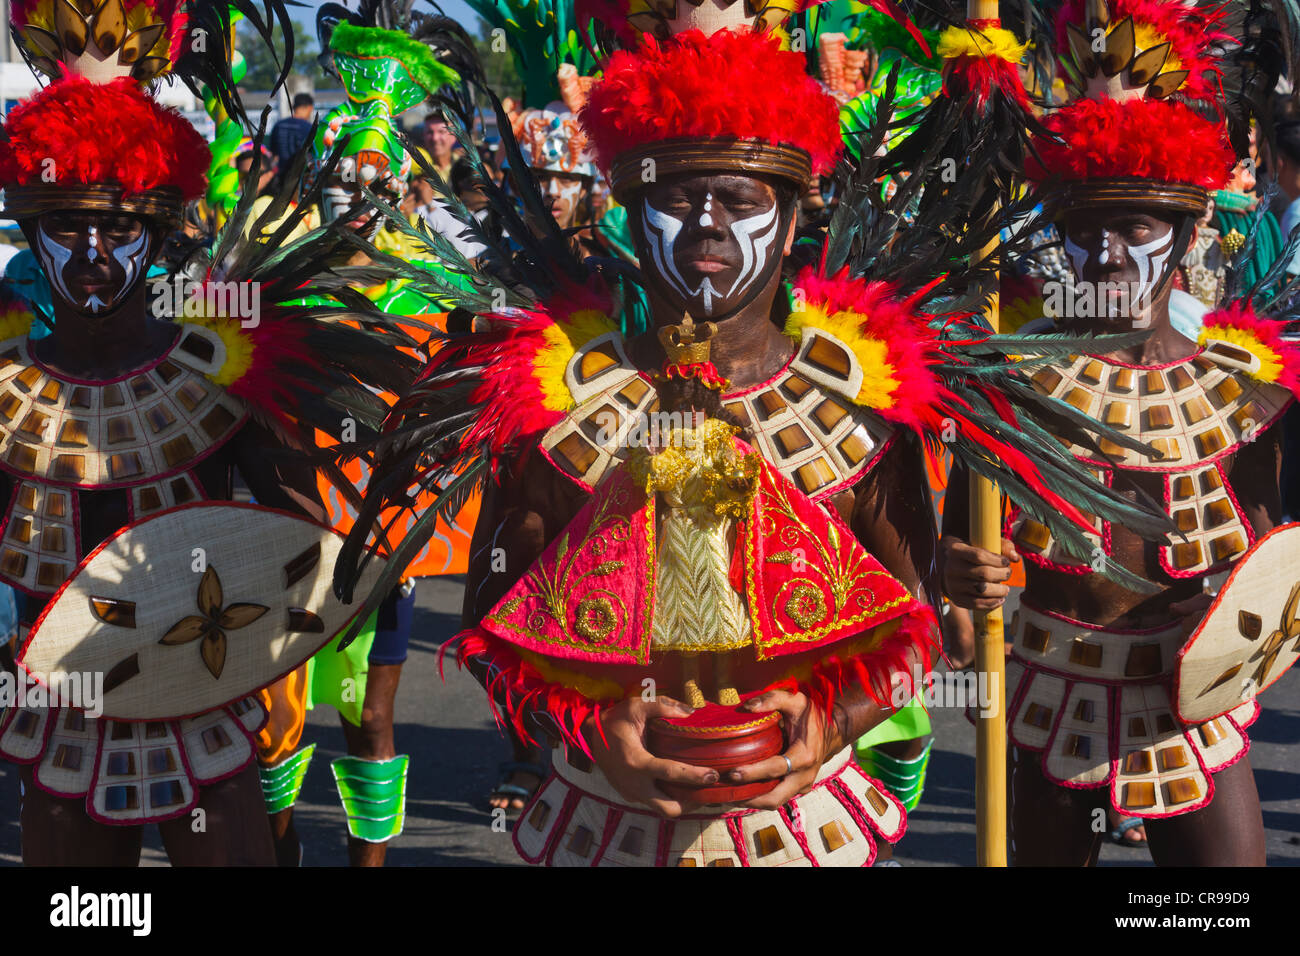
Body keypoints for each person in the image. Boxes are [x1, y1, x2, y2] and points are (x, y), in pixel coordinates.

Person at [334, 2, 1161, 867]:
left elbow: (911, 630)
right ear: (629, 210)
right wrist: (590, 734)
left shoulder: (861, 409)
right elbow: (490, 633)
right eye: (677, 198)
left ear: (792, 219)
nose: (707, 225)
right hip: (606, 818)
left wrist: (829, 727)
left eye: (738, 199)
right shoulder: (550, 407)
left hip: (799, 824)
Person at [0, 0, 417, 865]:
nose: (91, 252)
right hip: (59, 716)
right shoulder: (7, 386)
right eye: (65, 225)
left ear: (157, 232)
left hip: (203, 706)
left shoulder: (226, 374)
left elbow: (305, 542)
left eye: (118, 226)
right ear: (28, 230)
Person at [942, 0, 1299, 867]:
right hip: (1049, 691)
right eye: (1082, 229)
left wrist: (1251, 625)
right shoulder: (1009, 389)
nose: (1104, 254)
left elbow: (1279, 557)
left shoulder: (1250, 394)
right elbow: (954, 568)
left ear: (1186, 232)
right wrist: (961, 580)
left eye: (1134, 226)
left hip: (1190, 704)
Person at [270, 92, 316, 169]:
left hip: (281, 172)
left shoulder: (278, 125)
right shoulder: (309, 128)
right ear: (309, 107)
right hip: (300, 173)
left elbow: (274, 156)